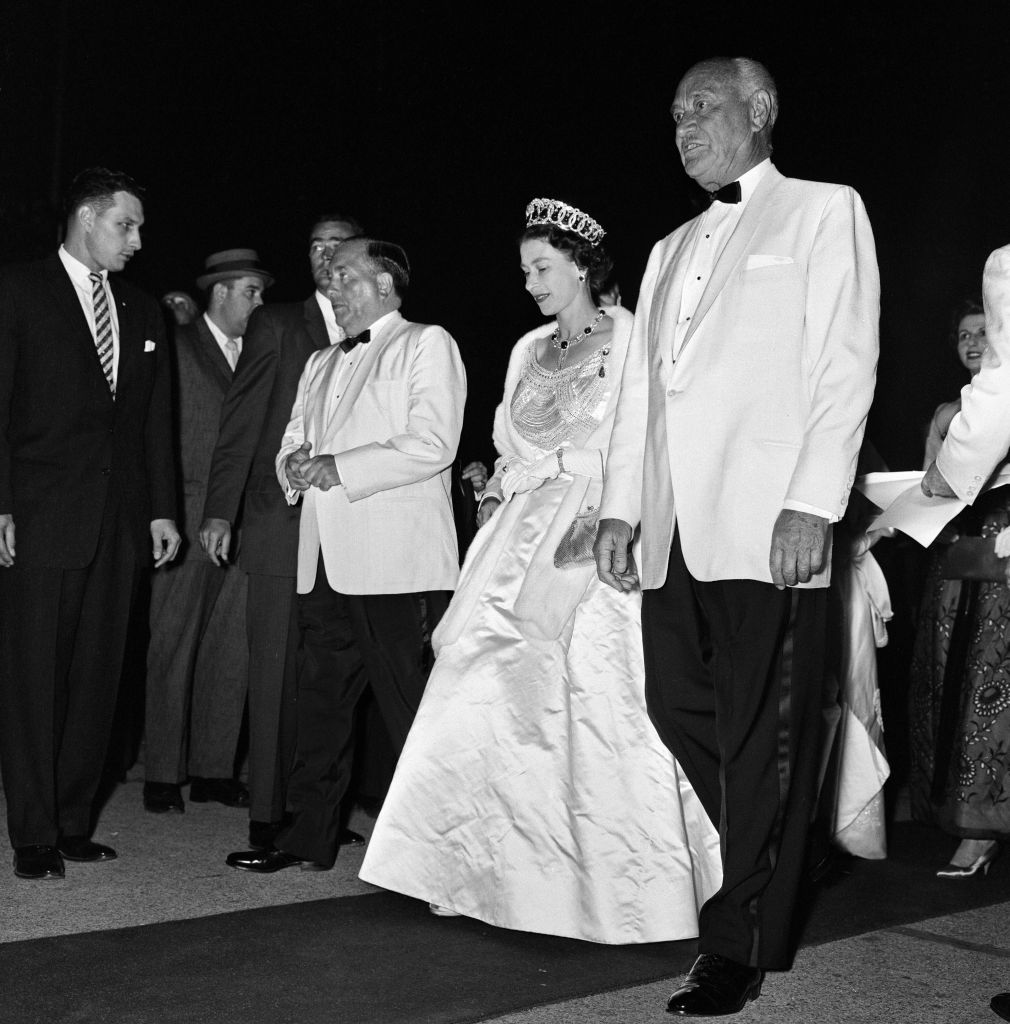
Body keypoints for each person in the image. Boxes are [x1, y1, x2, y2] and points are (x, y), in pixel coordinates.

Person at [594, 57, 879, 1015]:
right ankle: (788, 847)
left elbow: (844, 364)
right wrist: (621, 508)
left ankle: (740, 940)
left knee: (769, 730)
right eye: (674, 114)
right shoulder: (670, 243)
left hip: (771, 519)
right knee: (678, 704)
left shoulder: (821, 209)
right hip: (677, 525)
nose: (682, 126)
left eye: (702, 107)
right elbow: (642, 391)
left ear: (759, 111)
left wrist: (814, 500)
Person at [359, 199, 722, 943]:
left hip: (591, 532)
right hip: (516, 534)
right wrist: (498, 483)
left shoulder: (628, 337)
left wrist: (607, 516)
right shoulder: (527, 348)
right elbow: (510, 437)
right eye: (525, 270)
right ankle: (466, 869)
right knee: (477, 690)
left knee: (592, 702)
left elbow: (640, 439)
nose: (530, 283)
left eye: (543, 268)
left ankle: (625, 885)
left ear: (583, 267)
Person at [225, 237, 466, 872]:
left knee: (409, 709)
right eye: (328, 279)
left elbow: (434, 442)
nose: (332, 287)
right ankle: (309, 838)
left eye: (345, 277)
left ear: (386, 285)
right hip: (325, 560)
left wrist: (338, 466)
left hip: (396, 563)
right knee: (321, 704)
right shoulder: (320, 361)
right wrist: (294, 466)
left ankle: (443, 854)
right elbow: (291, 440)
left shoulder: (426, 342)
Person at [0, 167, 179, 880]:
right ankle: (34, 832)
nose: (136, 241)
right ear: (85, 218)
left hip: (119, 522)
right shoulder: (17, 291)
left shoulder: (140, 310)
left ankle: (75, 821)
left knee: (98, 676)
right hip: (40, 519)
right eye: (124, 226)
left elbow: (152, 423)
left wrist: (163, 508)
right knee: (34, 676)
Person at [199, 215, 366, 849]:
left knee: (325, 678)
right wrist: (221, 509)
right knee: (271, 676)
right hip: (278, 522)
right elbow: (241, 422)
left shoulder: (372, 332)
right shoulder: (274, 324)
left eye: (338, 247)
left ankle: (316, 814)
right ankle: (267, 820)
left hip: (345, 529)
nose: (326, 257)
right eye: (315, 246)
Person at [142, 250, 272, 816]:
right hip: (189, 516)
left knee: (231, 648)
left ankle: (214, 770)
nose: (259, 302)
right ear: (219, 292)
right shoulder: (178, 346)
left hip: (245, 522)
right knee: (172, 645)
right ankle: (163, 774)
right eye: (251, 291)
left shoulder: (260, 353)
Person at [910, 297, 1009, 875]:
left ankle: (984, 827)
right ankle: (968, 821)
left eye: (983, 331)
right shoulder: (949, 413)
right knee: (952, 679)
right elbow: (928, 487)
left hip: (1003, 551)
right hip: (957, 555)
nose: (972, 343)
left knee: (994, 684)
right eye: (962, 335)